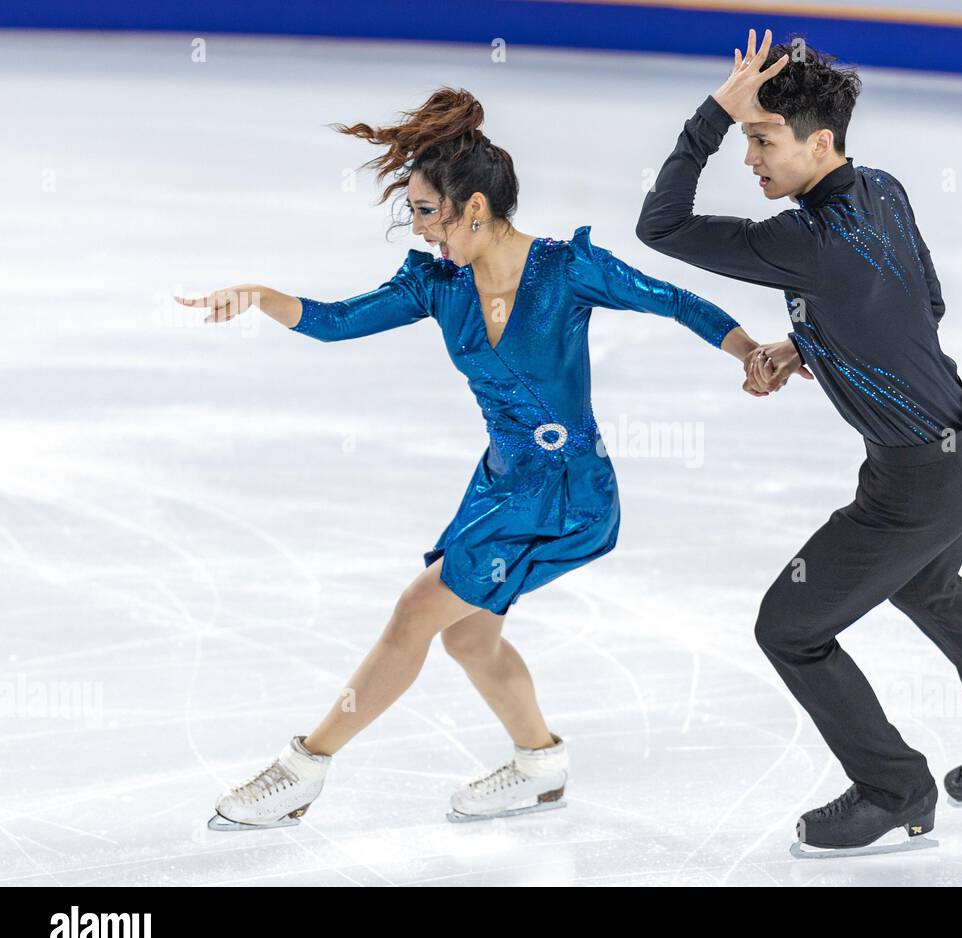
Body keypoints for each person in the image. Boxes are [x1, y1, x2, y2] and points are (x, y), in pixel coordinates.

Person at [176, 86, 767, 830]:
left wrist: (748, 351)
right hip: (498, 486)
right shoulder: (438, 285)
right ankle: (540, 764)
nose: (419, 229)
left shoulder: (566, 269)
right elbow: (334, 323)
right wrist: (260, 296)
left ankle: (302, 769)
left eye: (429, 211)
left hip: (564, 490)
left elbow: (674, 300)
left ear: (477, 208)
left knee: (418, 610)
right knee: (467, 635)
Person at [636, 29, 962, 857]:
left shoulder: (800, 243)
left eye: (761, 139)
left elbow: (660, 227)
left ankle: (893, 787)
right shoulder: (881, 188)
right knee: (932, 592)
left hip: (914, 482)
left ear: (819, 141)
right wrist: (811, 343)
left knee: (790, 628)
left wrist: (708, 115)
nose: (749, 159)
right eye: (742, 140)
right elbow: (924, 303)